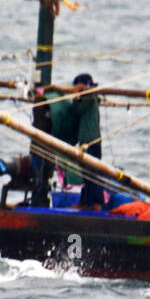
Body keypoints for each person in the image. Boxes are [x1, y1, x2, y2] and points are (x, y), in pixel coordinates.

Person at [46, 74, 106, 207]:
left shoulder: (90, 96)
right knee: (86, 173)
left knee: (92, 174)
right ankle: (85, 202)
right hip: (85, 141)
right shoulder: (88, 96)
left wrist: (74, 97)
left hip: (91, 141)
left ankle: (96, 204)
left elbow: (76, 110)